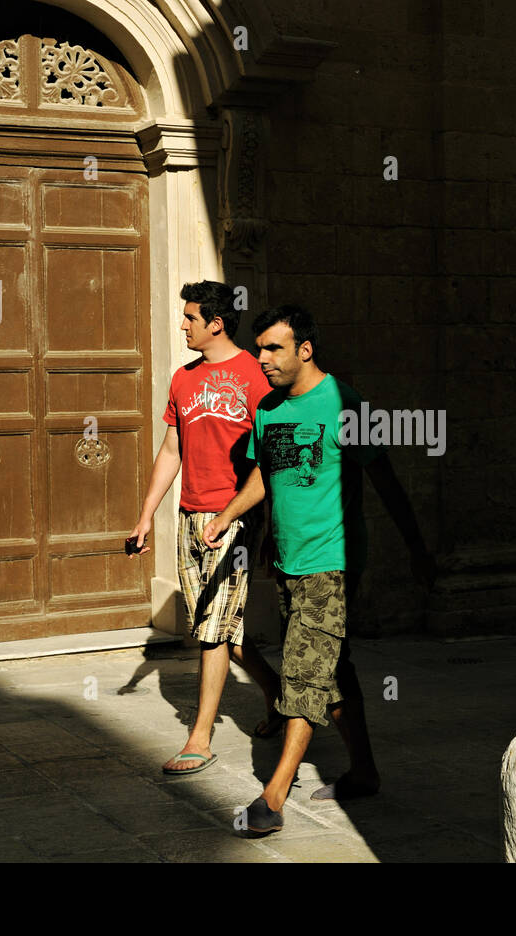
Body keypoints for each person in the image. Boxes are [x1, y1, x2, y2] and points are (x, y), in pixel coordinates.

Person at [203, 304, 435, 833]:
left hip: (332, 563)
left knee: (304, 673)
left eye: (273, 349)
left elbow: (386, 481)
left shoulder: (343, 404)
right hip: (288, 562)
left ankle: (274, 796)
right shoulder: (268, 409)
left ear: (305, 350)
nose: (262, 359)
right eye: (259, 348)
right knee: (334, 669)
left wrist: (418, 549)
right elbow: (267, 474)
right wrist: (229, 518)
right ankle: (366, 772)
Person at [128, 280, 282, 777]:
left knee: (213, 632)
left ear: (216, 322)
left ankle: (200, 737)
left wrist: (253, 520)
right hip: (189, 516)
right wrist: (147, 513)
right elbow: (171, 451)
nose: (183, 325)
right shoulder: (182, 379)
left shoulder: (256, 376)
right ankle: (281, 697)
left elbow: (273, 459)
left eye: (191, 317)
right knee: (223, 631)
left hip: (235, 517)